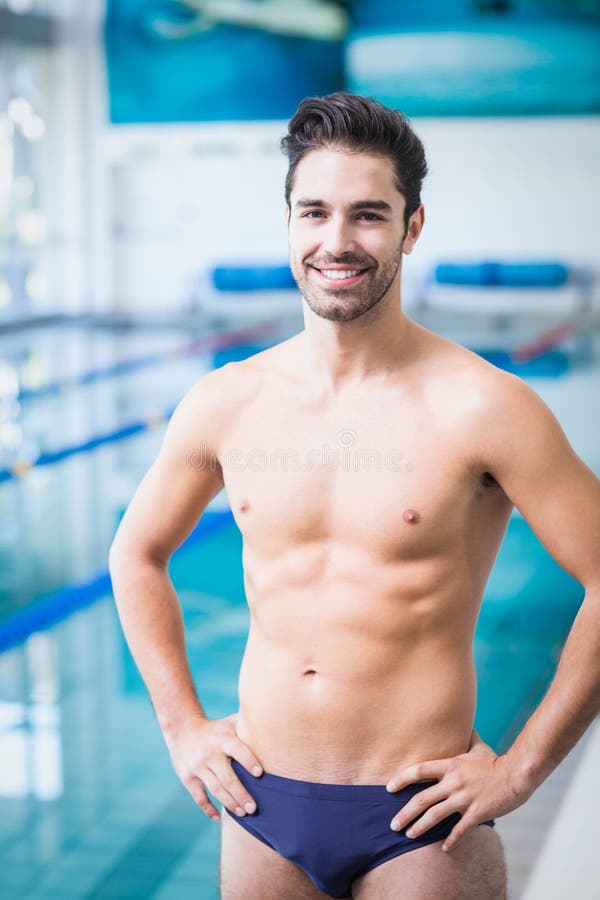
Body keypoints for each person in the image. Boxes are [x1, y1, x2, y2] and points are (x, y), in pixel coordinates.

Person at [108, 92, 600, 900]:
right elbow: (136, 552)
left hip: (418, 819)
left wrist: (520, 770)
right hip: (261, 806)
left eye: (368, 215)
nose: (337, 241)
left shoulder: (485, 407)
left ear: (412, 227)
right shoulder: (228, 401)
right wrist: (182, 725)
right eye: (315, 213)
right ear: (289, 224)